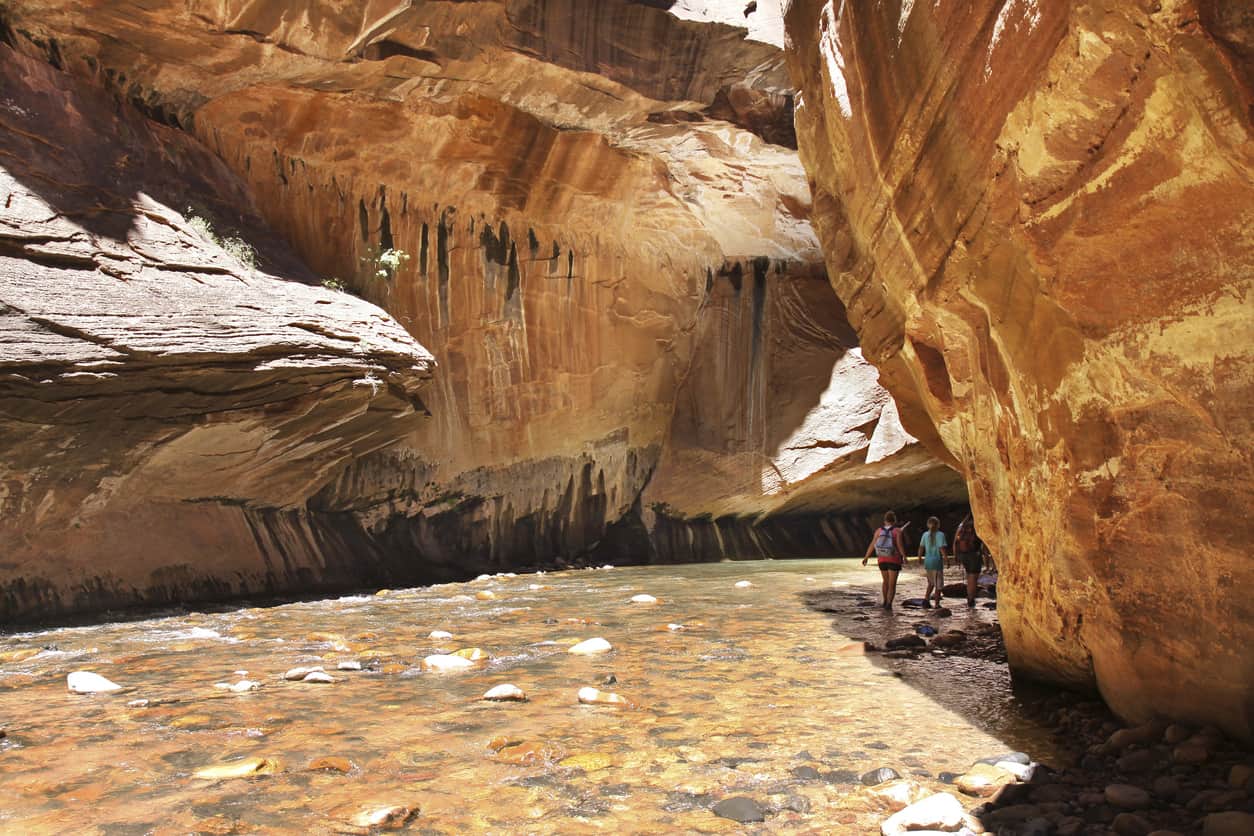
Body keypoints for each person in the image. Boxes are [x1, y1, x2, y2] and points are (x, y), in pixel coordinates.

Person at [862, 511, 908, 609]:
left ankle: (884, 602)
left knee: (885, 582)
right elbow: (900, 546)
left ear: (885, 520)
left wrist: (866, 557)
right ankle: (889, 605)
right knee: (892, 584)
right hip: (894, 560)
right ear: (894, 520)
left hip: (882, 560)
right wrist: (904, 557)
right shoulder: (897, 531)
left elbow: (872, 544)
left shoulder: (878, 531)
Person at [918, 516, 948, 608]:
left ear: (928, 525)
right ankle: (937, 604)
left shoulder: (925, 534)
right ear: (938, 525)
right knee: (938, 585)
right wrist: (946, 559)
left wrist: (919, 557)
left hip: (928, 562)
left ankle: (926, 599)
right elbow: (941, 548)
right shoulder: (940, 535)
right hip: (937, 562)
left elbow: (921, 547)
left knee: (931, 583)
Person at [954, 513, 983, 608]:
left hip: (963, 554)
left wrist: (956, 556)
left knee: (969, 576)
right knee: (973, 577)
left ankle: (970, 598)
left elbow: (955, 541)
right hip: (974, 554)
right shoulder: (977, 524)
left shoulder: (961, 525)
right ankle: (971, 600)